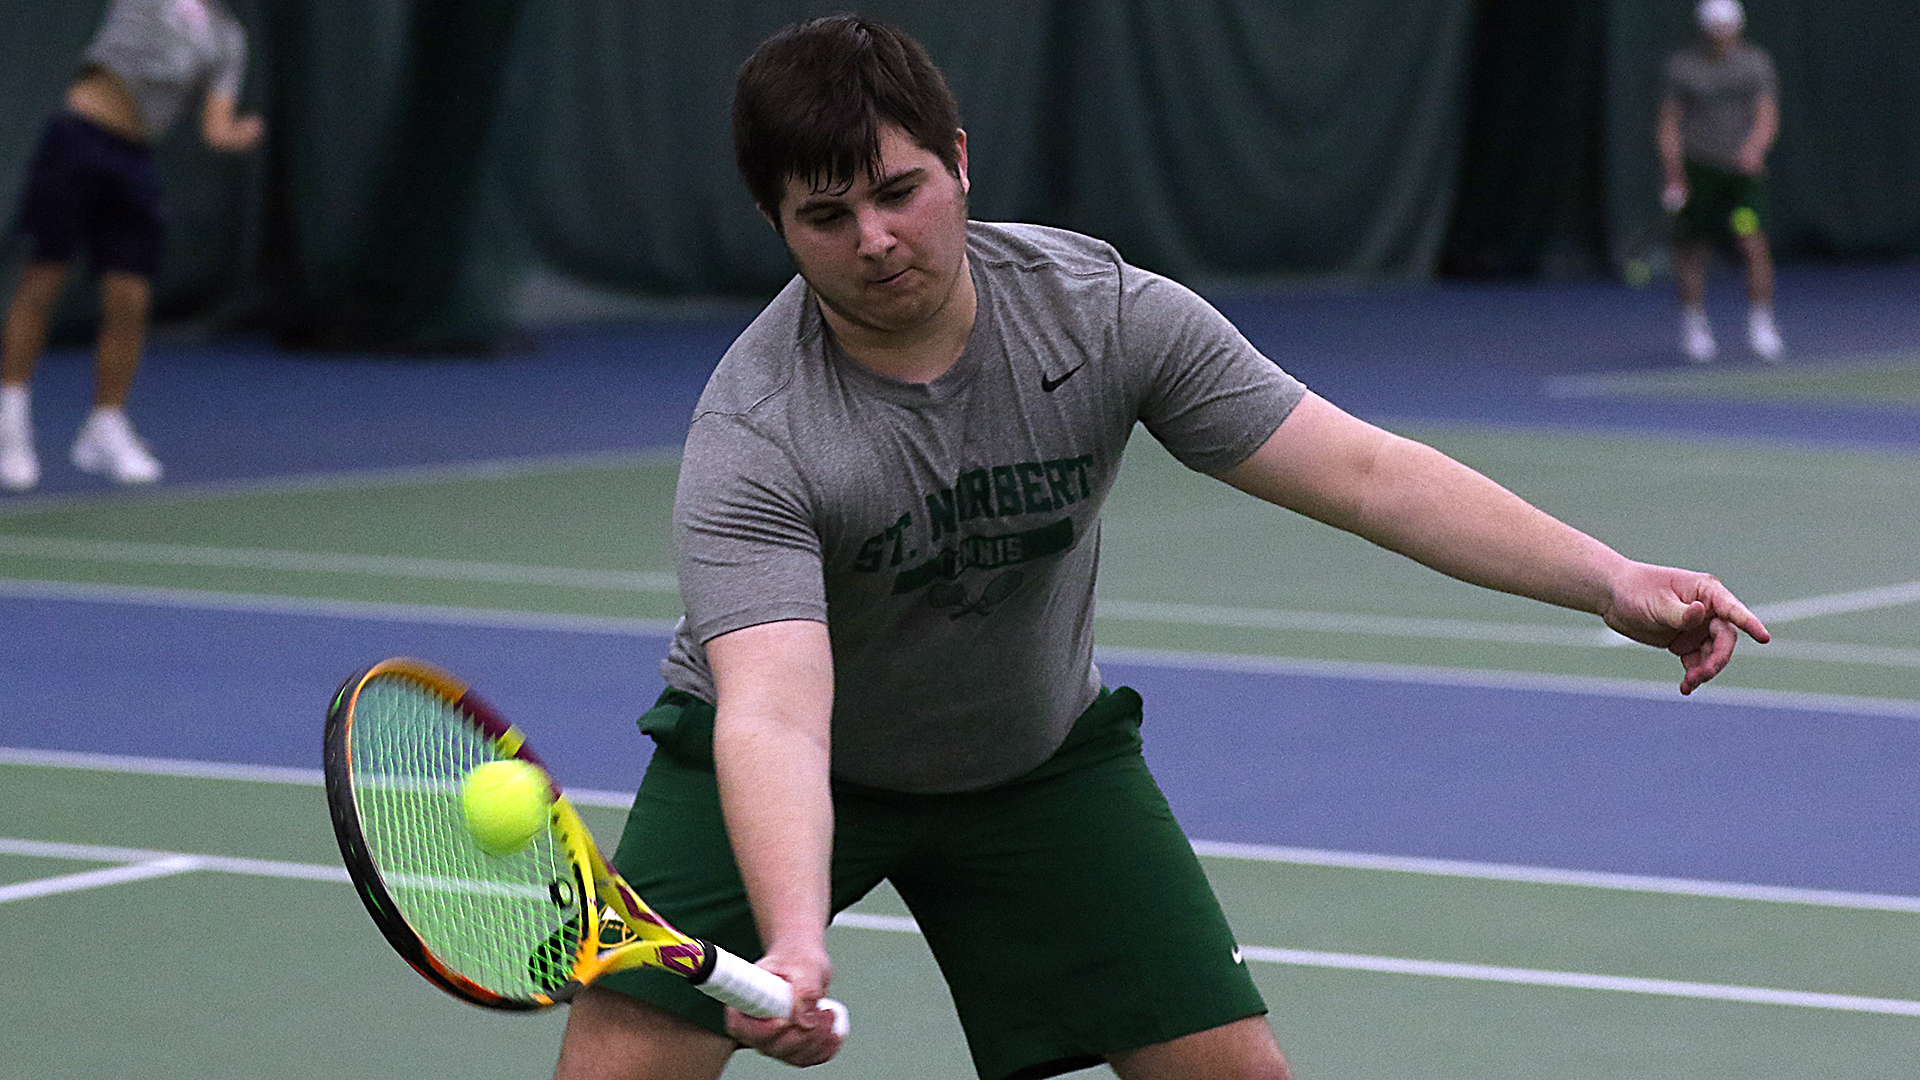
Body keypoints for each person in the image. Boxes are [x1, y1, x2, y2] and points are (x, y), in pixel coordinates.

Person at [553, 16, 1770, 1080]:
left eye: (898, 190)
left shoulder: (1105, 313)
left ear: (961, 162)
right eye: (826, 214)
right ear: (776, 223)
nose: (873, 238)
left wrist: (1609, 580)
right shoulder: (760, 431)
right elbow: (773, 716)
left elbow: (1362, 472)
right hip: (769, 782)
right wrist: (795, 936)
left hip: (1031, 764)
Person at [0, 0, 263, 493]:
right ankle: (9, 419)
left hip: (135, 161)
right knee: (42, 282)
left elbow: (215, 125)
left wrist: (234, 136)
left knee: (130, 300)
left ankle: (105, 425)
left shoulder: (228, 40)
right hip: (76, 140)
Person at [1658, 0, 1782, 364]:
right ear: (1704, 29)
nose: (1722, 35)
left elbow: (1766, 116)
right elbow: (1668, 124)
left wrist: (1753, 150)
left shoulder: (1755, 63)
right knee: (1694, 251)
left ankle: (1762, 326)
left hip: (1741, 179)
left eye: (1728, 27)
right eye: (1716, 28)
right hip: (1699, 175)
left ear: (1738, 27)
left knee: (1752, 243)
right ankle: (1694, 326)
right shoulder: (1682, 67)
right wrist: (1675, 175)